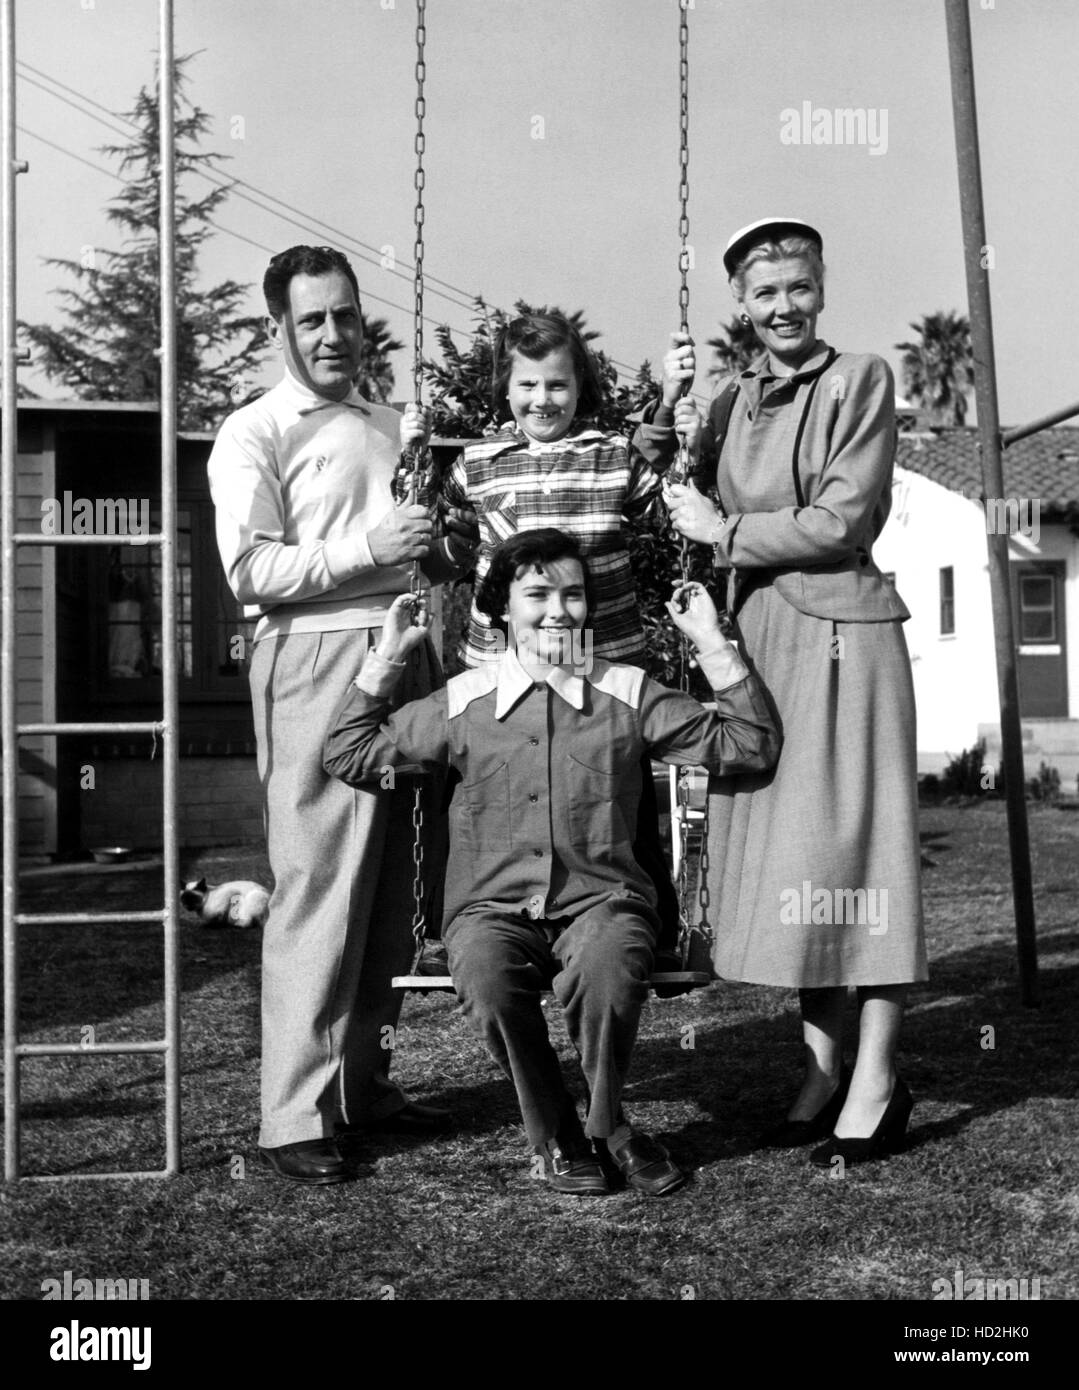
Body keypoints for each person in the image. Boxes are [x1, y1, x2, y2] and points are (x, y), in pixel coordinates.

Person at [323, 529, 780, 1196]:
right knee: (483, 976)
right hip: (488, 909)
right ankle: (556, 1134)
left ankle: (605, 1128)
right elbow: (348, 754)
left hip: (603, 902)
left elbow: (749, 745)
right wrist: (385, 660)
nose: (557, 611)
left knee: (609, 968)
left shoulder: (627, 691)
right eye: (537, 594)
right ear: (503, 607)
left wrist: (710, 642)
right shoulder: (460, 702)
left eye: (572, 594)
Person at [208, 244, 477, 1185]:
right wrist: (370, 543)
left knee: (397, 888)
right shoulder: (253, 430)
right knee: (320, 880)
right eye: (312, 319)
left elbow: (419, 555)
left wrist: (444, 545)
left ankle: (360, 1087)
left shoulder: (390, 422)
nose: (332, 334)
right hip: (314, 655)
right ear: (278, 327)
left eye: (345, 315)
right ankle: (292, 1118)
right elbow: (250, 569)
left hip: (407, 652)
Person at [664, 217, 928, 1167]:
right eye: (764, 293)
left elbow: (839, 518)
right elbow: (670, 490)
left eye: (798, 289)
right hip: (758, 641)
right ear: (739, 303)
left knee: (861, 854)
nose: (783, 308)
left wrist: (726, 529)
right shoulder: (732, 398)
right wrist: (674, 400)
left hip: (842, 636)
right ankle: (820, 1069)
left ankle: (876, 1079)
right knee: (803, 862)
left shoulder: (858, 378)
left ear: (821, 290)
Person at [440, 310, 698, 976]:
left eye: (556, 385)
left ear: (578, 387)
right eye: (527, 386)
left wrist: (672, 406)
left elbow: (666, 494)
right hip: (505, 669)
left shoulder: (609, 459)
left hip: (603, 665)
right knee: (494, 800)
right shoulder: (478, 465)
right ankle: (480, 920)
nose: (541, 400)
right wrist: (412, 464)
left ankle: (652, 928)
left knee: (621, 801)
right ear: (505, 389)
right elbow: (444, 544)